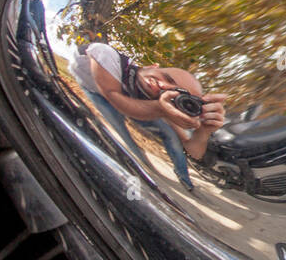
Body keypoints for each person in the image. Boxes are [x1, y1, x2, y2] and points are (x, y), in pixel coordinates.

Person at [73, 42, 226, 190]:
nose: (164, 86)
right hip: (98, 92)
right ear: (152, 66)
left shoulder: (158, 101)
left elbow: (192, 149)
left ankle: (184, 179)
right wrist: (160, 109)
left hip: (139, 104)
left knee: (170, 135)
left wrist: (204, 131)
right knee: (120, 128)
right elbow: (113, 96)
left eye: (175, 93)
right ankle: (138, 166)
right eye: (167, 78)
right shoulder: (106, 53)